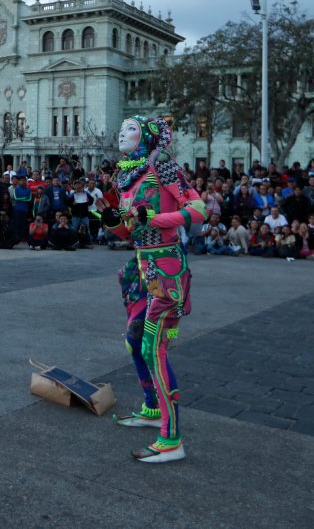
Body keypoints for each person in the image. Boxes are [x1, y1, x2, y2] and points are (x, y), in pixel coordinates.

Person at [97, 115, 206, 463]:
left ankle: (172, 439)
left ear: (146, 136)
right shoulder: (128, 176)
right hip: (142, 267)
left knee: (153, 347)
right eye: (122, 126)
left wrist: (152, 219)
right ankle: (152, 407)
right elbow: (132, 232)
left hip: (168, 268)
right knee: (134, 340)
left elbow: (198, 209)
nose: (122, 133)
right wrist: (113, 221)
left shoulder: (163, 166)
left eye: (130, 128)